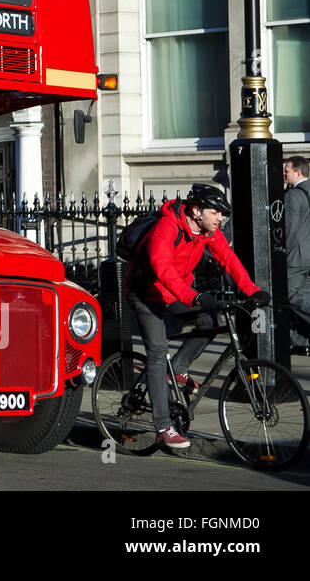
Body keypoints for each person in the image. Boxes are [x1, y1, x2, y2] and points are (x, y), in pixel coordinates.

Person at [129, 183, 269, 450]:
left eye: (221, 214)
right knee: (157, 353)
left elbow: (228, 259)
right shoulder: (167, 227)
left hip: (175, 292)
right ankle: (163, 427)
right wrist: (192, 296)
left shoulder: (207, 232)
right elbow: (162, 266)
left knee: (209, 321)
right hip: (146, 294)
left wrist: (251, 291)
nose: (220, 218)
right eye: (215, 213)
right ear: (196, 211)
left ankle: (178, 368)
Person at [284, 156, 310, 355]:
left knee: (290, 296)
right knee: (305, 296)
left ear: (298, 172)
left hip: (296, 257)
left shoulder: (294, 195)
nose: (284, 174)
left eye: (287, 171)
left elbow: (289, 229)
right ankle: (301, 341)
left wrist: (281, 253)